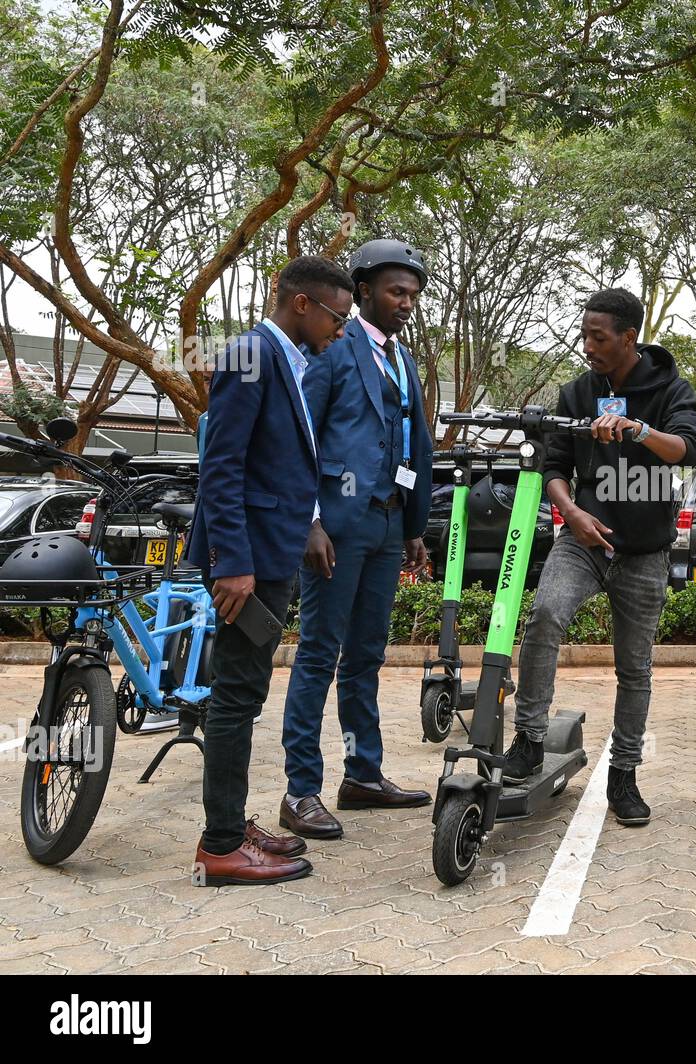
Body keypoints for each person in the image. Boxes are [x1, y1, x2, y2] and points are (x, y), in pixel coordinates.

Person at [502, 288, 696, 825]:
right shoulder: (577, 392)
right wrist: (571, 512)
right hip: (583, 541)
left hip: (643, 553)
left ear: (628, 337)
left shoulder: (671, 390)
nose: (587, 345)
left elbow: (689, 449)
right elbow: (554, 466)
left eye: (599, 336)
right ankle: (528, 739)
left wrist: (640, 430)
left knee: (634, 669)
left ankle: (624, 775)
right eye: (584, 335)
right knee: (545, 615)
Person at [186, 255, 354, 886]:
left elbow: (277, 462)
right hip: (246, 561)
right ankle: (222, 845)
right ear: (303, 304)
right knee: (234, 698)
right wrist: (232, 563)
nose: (342, 328)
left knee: (246, 694)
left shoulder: (289, 358)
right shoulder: (250, 355)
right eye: (338, 315)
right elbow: (221, 465)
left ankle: (233, 820)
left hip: (270, 552)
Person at [278, 239, 434, 840]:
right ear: (364, 291)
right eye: (397, 292)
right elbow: (301, 438)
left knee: (367, 655)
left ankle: (362, 775)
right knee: (318, 654)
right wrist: (309, 520)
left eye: (414, 294)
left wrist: (414, 525)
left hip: (388, 523)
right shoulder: (334, 350)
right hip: (335, 528)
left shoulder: (404, 359)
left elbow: (414, 442)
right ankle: (300, 791)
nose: (407, 303)